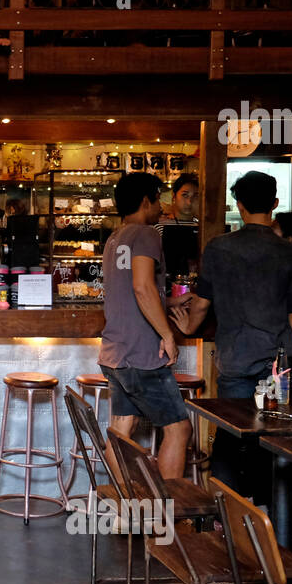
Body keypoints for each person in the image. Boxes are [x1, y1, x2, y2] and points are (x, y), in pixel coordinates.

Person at [171, 171, 292, 501]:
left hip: (234, 357)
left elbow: (202, 304)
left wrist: (189, 327)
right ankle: (266, 512)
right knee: (272, 436)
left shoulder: (219, 248)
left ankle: (224, 512)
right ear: (275, 204)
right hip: (279, 362)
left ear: (240, 205)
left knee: (231, 436)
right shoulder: (291, 253)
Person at [98, 173, 193, 479]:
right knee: (178, 428)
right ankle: (167, 514)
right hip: (141, 356)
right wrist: (167, 335)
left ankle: (123, 503)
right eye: (158, 197)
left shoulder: (115, 237)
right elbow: (141, 287)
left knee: (121, 427)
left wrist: (169, 302)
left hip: (115, 353)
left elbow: (128, 289)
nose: (162, 204)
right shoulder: (147, 234)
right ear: (145, 201)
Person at [155, 172, 200, 279]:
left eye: (196, 196)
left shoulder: (201, 227)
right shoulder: (160, 227)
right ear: (174, 196)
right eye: (185, 195)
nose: (189, 201)